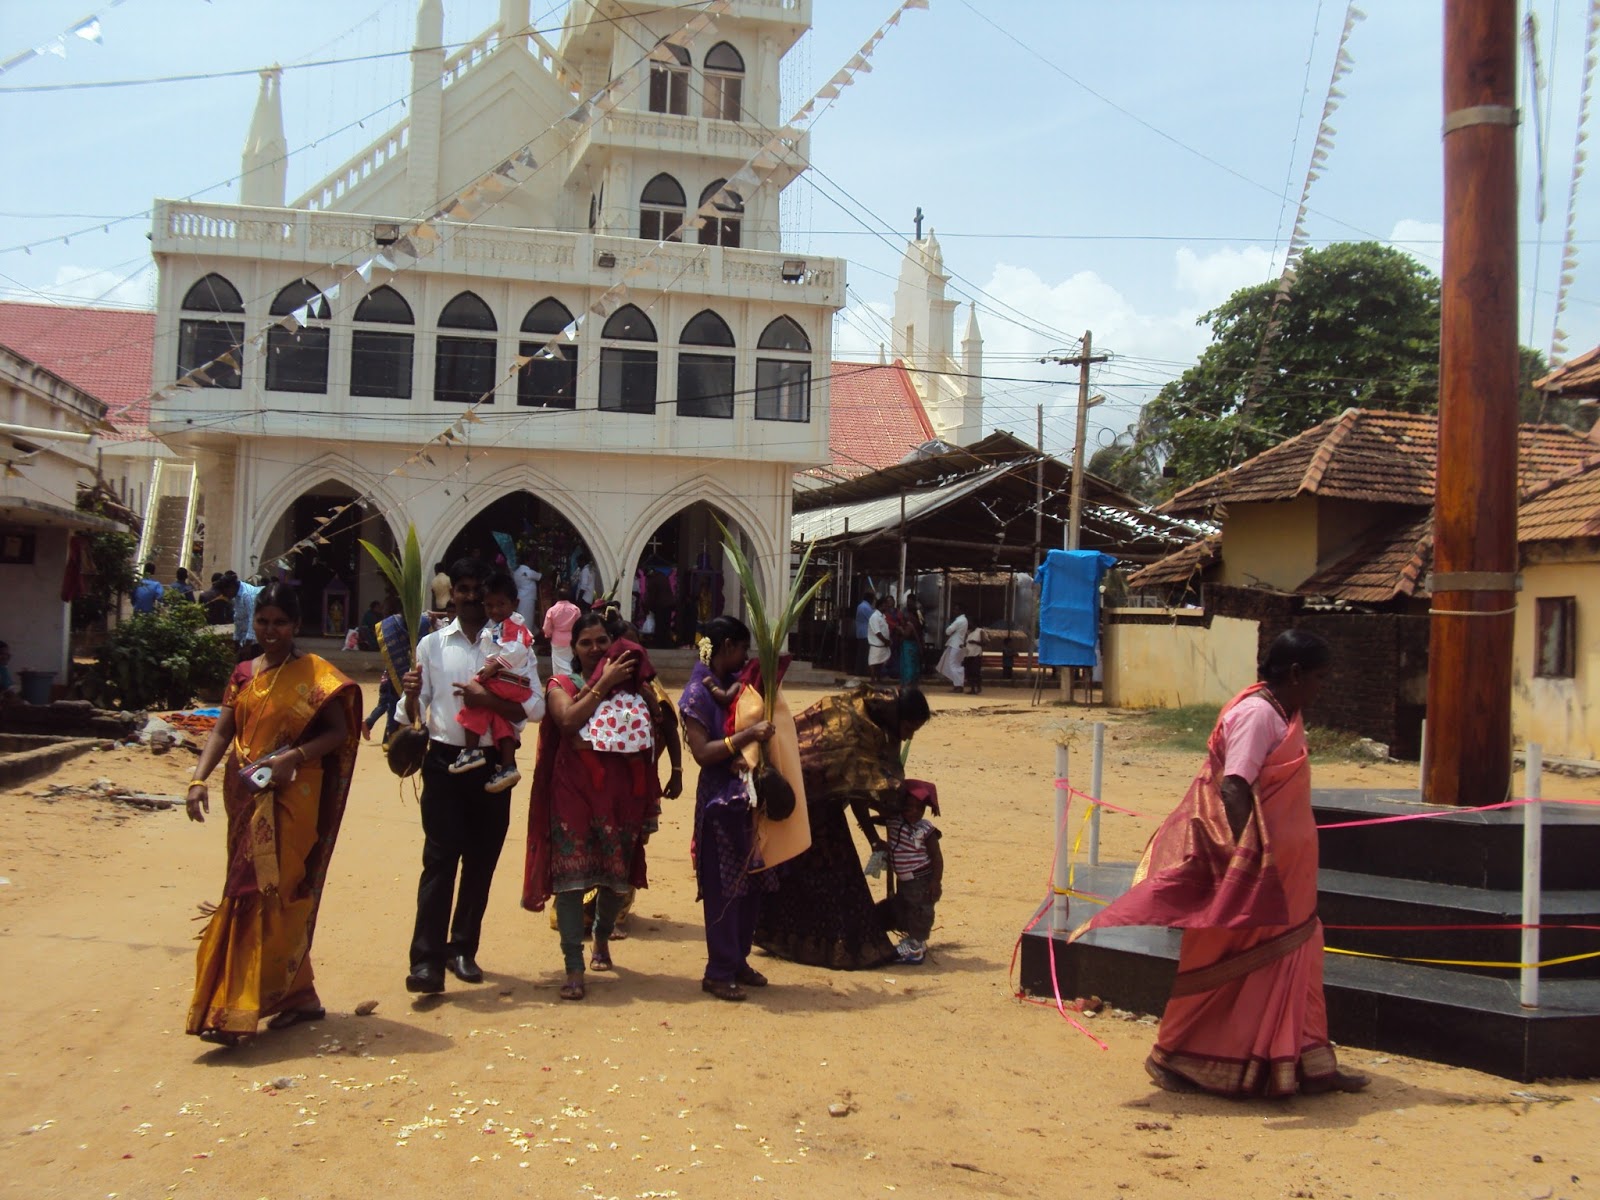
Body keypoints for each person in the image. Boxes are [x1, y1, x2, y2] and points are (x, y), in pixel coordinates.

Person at [1074, 630, 1369, 1098]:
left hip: (1292, 873)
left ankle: (1308, 1063)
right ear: (1295, 674)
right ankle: (1176, 1057)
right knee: (1230, 963)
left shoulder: (1282, 713)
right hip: (1261, 871)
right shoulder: (1256, 715)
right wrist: (1248, 866)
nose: (1322, 687)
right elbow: (1234, 787)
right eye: (1319, 677)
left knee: (1300, 958)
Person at [182, 581, 361, 1047]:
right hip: (244, 794)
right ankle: (298, 995)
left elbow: (338, 732)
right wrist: (198, 779)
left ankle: (234, 1008)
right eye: (263, 621)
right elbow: (222, 732)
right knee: (250, 888)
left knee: (268, 891)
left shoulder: (315, 675)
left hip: (290, 797)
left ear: (296, 625)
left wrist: (292, 758)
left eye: (280, 622)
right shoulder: (244, 673)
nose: (270, 630)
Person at [399, 558, 545, 995]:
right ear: (452, 594)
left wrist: (488, 700)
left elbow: (534, 708)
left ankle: (462, 948)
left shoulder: (513, 644)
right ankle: (426, 961)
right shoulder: (432, 645)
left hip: (494, 763)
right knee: (439, 860)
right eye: (461, 589)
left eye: (477, 590)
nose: (469, 597)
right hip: (445, 761)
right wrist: (409, 696)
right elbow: (411, 713)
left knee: (481, 861)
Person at [522, 614, 665, 1001]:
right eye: (585, 642)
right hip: (573, 795)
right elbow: (568, 720)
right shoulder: (562, 685)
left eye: (602, 640)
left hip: (619, 796)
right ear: (573, 647)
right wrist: (604, 684)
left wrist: (641, 706)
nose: (595, 648)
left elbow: (644, 725)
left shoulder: (631, 688)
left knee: (615, 879)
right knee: (570, 882)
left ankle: (601, 936)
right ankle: (574, 966)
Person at [754, 687, 933, 969]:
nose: (908, 736)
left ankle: (790, 938)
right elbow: (854, 783)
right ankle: (839, 945)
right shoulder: (857, 726)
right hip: (803, 797)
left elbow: (854, 787)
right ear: (898, 716)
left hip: (819, 800)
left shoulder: (871, 720)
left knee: (809, 871)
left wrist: (873, 838)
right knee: (831, 874)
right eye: (909, 728)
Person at [679, 617, 779, 1001]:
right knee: (724, 888)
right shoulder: (696, 695)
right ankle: (718, 971)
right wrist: (747, 736)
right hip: (718, 802)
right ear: (726, 648)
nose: (745, 656)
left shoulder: (732, 686)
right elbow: (703, 752)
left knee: (751, 883)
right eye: (742, 649)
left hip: (746, 798)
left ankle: (737, 960)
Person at [451, 572, 535, 794]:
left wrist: (492, 668)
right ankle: (507, 765)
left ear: (514, 604)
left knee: (474, 701)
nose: (495, 610)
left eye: (500, 604)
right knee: (501, 721)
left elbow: (517, 650)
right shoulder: (501, 626)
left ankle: (471, 751)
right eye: (489, 605)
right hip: (513, 683)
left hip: (507, 680)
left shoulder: (513, 625)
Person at [885, 781, 942, 965]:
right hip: (904, 880)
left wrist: (935, 881)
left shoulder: (926, 829)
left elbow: (937, 857)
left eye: (920, 808)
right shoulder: (894, 821)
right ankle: (914, 942)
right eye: (909, 807)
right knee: (907, 908)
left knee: (920, 910)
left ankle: (916, 947)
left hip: (921, 879)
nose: (915, 812)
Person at [219, 573, 264, 661]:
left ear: (231, 587)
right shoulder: (236, 596)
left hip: (254, 643)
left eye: (225, 592)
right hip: (244, 641)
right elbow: (238, 619)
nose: (225, 595)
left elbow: (252, 619)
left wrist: (248, 645)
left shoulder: (247, 595)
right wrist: (236, 640)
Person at [542, 586, 581, 677]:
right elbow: (579, 625)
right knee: (571, 661)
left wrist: (548, 635)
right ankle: (571, 678)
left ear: (557, 597)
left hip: (557, 640)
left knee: (557, 664)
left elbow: (546, 627)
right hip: (572, 639)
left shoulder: (552, 610)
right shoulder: (575, 609)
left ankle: (559, 680)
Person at [937, 602, 968, 692]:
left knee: (953, 665)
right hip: (959, 644)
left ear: (960, 611)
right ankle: (959, 684)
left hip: (955, 645)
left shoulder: (959, 621)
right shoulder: (964, 620)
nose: (954, 611)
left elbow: (948, 631)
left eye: (956, 609)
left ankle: (958, 685)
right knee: (957, 665)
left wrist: (951, 630)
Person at [897, 597, 924, 688]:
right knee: (914, 664)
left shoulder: (910, 621)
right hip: (914, 645)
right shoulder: (918, 620)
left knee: (908, 664)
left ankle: (908, 683)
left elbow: (907, 634)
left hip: (909, 645)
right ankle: (912, 684)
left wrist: (900, 630)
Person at [866, 595, 894, 683]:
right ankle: (873, 679)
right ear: (881, 606)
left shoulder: (882, 616)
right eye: (885, 605)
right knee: (873, 663)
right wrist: (885, 641)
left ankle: (878, 678)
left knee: (880, 663)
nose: (887, 606)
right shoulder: (874, 617)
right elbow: (877, 632)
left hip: (882, 645)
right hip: (876, 644)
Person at [513, 552, 542, 627]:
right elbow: (540, 577)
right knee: (528, 619)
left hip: (520, 597)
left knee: (521, 617)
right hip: (528, 599)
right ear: (527, 561)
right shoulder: (528, 571)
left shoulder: (516, 572)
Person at [853, 590, 876, 677]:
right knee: (865, 653)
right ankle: (863, 671)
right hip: (865, 633)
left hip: (861, 632)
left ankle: (859, 671)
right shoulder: (866, 607)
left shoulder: (861, 606)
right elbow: (872, 618)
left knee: (861, 653)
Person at [963, 620, 985, 695]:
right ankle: (972, 689)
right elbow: (966, 643)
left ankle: (978, 687)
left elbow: (984, 643)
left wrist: (975, 642)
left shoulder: (980, 631)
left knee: (976, 672)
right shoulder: (968, 632)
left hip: (976, 654)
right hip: (968, 654)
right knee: (969, 672)